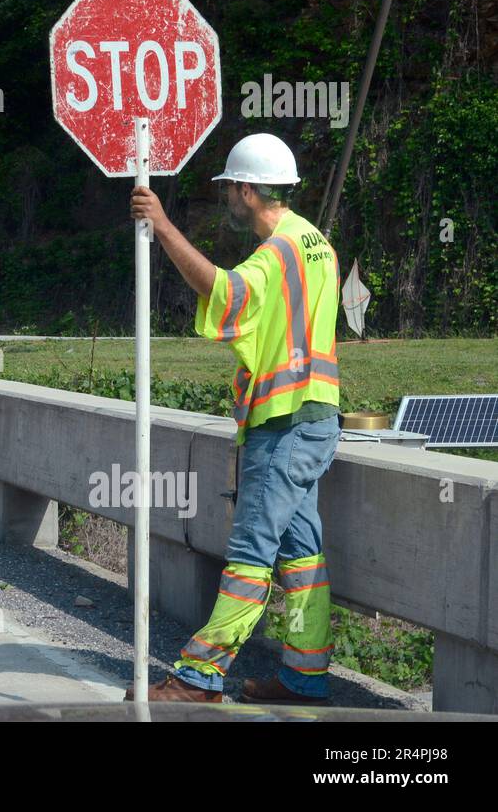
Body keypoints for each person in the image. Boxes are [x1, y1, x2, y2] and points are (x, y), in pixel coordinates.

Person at [126, 132, 341, 704]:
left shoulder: (275, 254)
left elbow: (225, 296)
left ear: (247, 189)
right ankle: (305, 676)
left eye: (230, 189)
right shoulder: (317, 242)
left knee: (250, 552)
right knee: (302, 556)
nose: (227, 199)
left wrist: (163, 227)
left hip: (285, 421)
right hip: (316, 419)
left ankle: (199, 676)